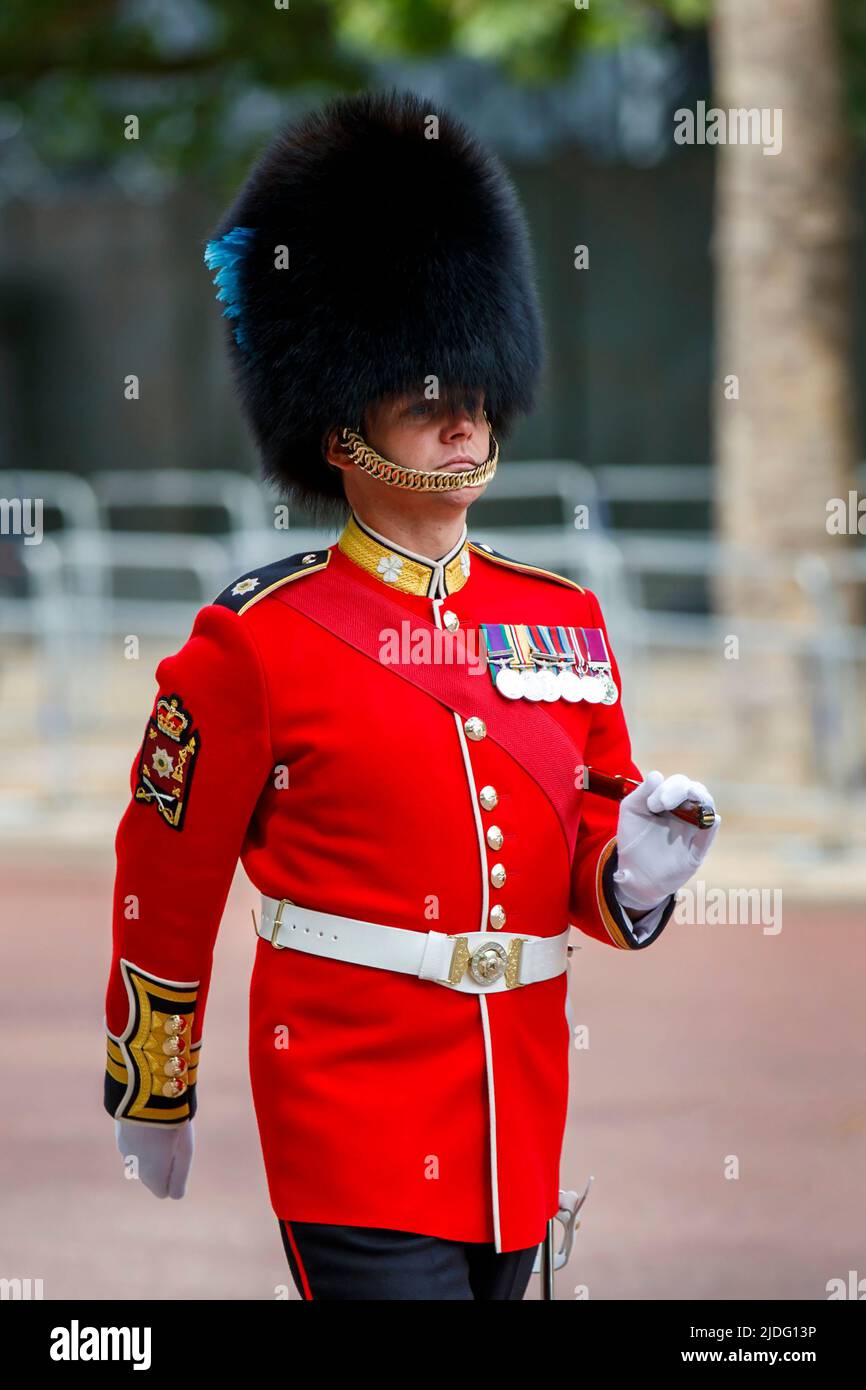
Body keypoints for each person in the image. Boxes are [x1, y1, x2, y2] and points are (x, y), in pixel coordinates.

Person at [103, 90, 719, 1302]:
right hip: (351, 1120)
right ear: (343, 427)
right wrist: (153, 1084)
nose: (463, 420)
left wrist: (629, 867)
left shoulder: (560, 617)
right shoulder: (256, 641)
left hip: (518, 1116)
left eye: (474, 398)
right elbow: (165, 875)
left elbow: (576, 818)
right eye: (427, 399)